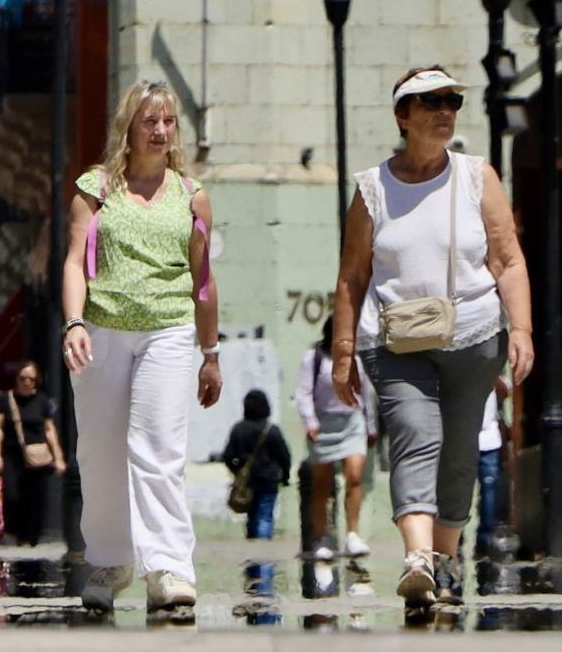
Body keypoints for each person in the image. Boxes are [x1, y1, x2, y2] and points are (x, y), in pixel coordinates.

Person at [332, 67, 534, 608]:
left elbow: (508, 259)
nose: (444, 110)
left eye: (451, 101)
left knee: (460, 453)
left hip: (473, 337)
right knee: (414, 436)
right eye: (430, 102)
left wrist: (522, 328)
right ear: (403, 116)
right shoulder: (373, 187)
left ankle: (444, 560)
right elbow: (352, 275)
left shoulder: (476, 176)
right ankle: (417, 558)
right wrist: (344, 350)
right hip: (395, 340)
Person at [62, 80, 222, 613]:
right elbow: (73, 262)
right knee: (100, 450)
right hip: (103, 330)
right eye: (149, 121)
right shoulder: (96, 187)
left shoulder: (190, 194)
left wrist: (211, 353)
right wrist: (73, 323)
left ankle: (169, 568)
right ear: (128, 127)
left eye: (168, 121)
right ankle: (111, 561)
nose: (159, 131)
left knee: (157, 450)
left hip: (169, 331)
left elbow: (202, 279)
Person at [296, 315, 376, 560]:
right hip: (324, 423)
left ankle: (353, 534)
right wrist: (310, 422)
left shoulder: (358, 359)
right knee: (322, 485)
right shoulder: (314, 358)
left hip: (352, 421)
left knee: (354, 477)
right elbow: (303, 392)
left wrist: (371, 425)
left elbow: (366, 393)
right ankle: (322, 538)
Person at [0, 363, 62, 548]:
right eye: (22, 378)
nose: (26, 382)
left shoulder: (42, 401)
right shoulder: (6, 400)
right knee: (12, 495)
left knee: (35, 497)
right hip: (13, 455)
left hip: (38, 457)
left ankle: (31, 538)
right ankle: (13, 532)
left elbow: (49, 430)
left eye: (30, 379)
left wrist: (59, 457)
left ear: (36, 381)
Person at [222, 389, 293, 540]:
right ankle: (263, 555)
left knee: (252, 517)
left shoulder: (239, 429)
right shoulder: (272, 430)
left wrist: (237, 471)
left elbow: (228, 456)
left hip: (247, 482)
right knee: (265, 516)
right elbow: (285, 457)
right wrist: (285, 476)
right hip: (269, 481)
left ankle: (254, 554)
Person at [475, 380, 508, 557]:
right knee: (458, 492)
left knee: (489, 493)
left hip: (489, 441)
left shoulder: (494, 377)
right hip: (464, 440)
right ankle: (456, 541)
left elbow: (507, 389)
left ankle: (484, 540)